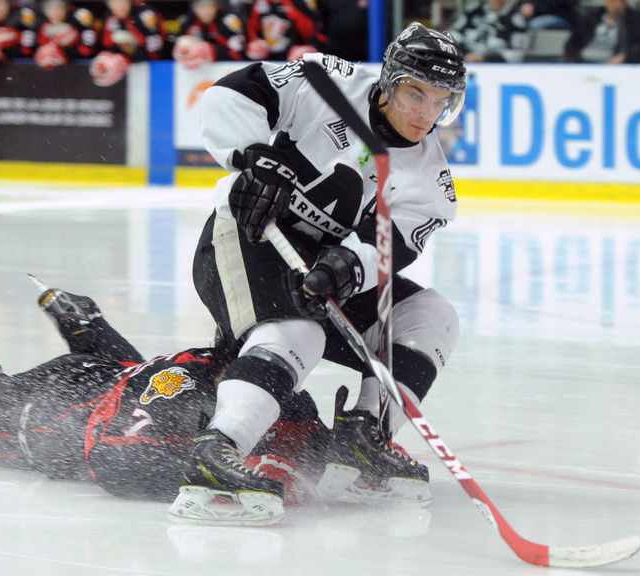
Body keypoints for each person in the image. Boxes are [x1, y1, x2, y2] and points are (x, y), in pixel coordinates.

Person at [169, 21, 465, 526]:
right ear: (390, 80)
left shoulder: (431, 182)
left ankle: (363, 438)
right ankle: (217, 452)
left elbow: (385, 248)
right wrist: (251, 155)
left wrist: (349, 265)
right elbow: (228, 96)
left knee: (431, 314)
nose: (426, 113)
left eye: (441, 101)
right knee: (297, 332)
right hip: (247, 238)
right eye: (416, 93)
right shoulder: (324, 81)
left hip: (322, 269)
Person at [0, 278, 329, 505]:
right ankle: (86, 327)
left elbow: (317, 448)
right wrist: (207, 477)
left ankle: (85, 323)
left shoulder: (282, 390)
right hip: (47, 402)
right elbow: (110, 458)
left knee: (127, 373)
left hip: (112, 372)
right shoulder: (179, 387)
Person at [90, 0, 167, 87]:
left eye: (122, 2)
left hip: (159, 63)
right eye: (114, 3)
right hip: (132, 63)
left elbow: (155, 52)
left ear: (130, 2)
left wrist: (128, 60)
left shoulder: (145, 14)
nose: (119, 7)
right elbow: (107, 46)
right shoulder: (110, 17)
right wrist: (110, 58)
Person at [564, 0, 640, 63]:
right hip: (583, 64)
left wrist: (625, 57)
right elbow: (573, 43)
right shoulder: (590, 19)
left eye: (620, 1)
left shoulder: (637, 21)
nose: (616, 5)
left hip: (614, 66)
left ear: (626, 3)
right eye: (613, 1)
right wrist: (575, 59)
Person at [172, 0, 246, 68]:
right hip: (196, 70)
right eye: (202, 7)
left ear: (216, 7)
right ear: (195, 9)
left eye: (210, 7)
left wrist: (211, 51)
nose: (206, 11)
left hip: (227, 67)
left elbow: (238, 54)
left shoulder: (229, 20)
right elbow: (177, 45)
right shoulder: (188, 20)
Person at [244, 0, 327, 61]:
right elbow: (251, 30)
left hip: (295, 55)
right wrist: (255, 42)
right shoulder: (257, 4)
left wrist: (308, 48)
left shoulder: (298, 4)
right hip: (268, 57)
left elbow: (316, 33)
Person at [32, 0, 98, 69]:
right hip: (48, 67)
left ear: (66, 9)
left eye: (59, 8)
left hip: (72, 65)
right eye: (51, 9)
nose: (56, 12)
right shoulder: (44, 27)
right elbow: (40, 46)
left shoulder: (74, 27)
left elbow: (85, 50)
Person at [0, 0, 38, 66]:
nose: (0, 8)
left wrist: (19, 38)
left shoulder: (18, 19)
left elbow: (28, 50)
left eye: (3, 5)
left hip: (14, 64)